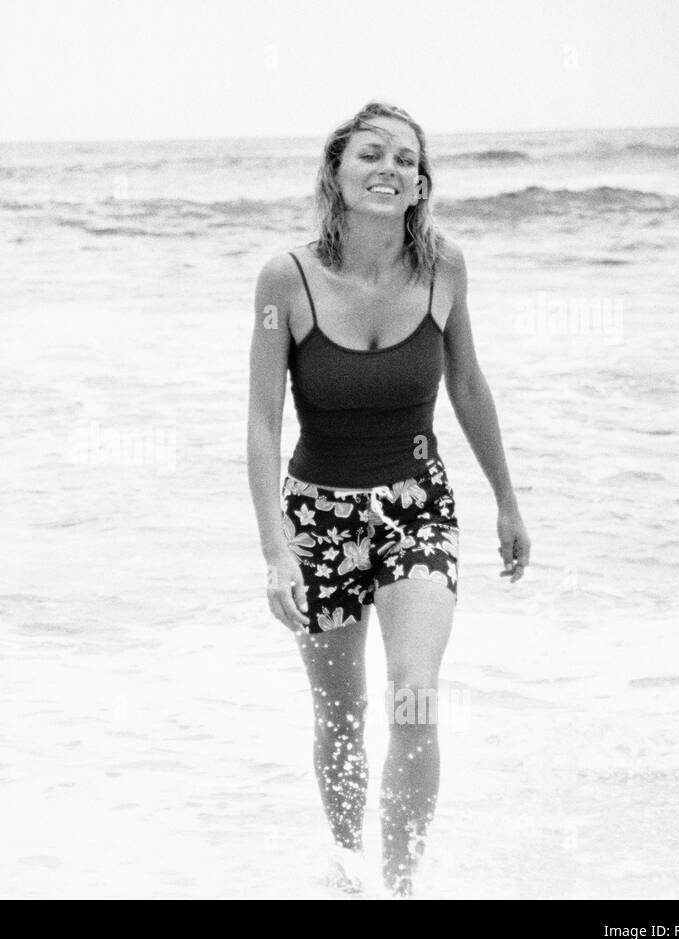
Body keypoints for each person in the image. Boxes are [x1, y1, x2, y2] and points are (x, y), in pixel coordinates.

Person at [245, 102, 531, 897]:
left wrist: (508, 500)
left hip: (418, 509)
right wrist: (276, 552)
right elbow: (263, 424)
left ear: (420, 183)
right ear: (335, 173)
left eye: (407, 159)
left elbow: (468, 385)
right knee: (341, 716)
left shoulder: (445, 267)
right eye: (371, 153)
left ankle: (400, 889)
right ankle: (349, 870)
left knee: (413, 693)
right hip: (318, 517)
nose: (390, 167)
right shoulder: (286, 279)